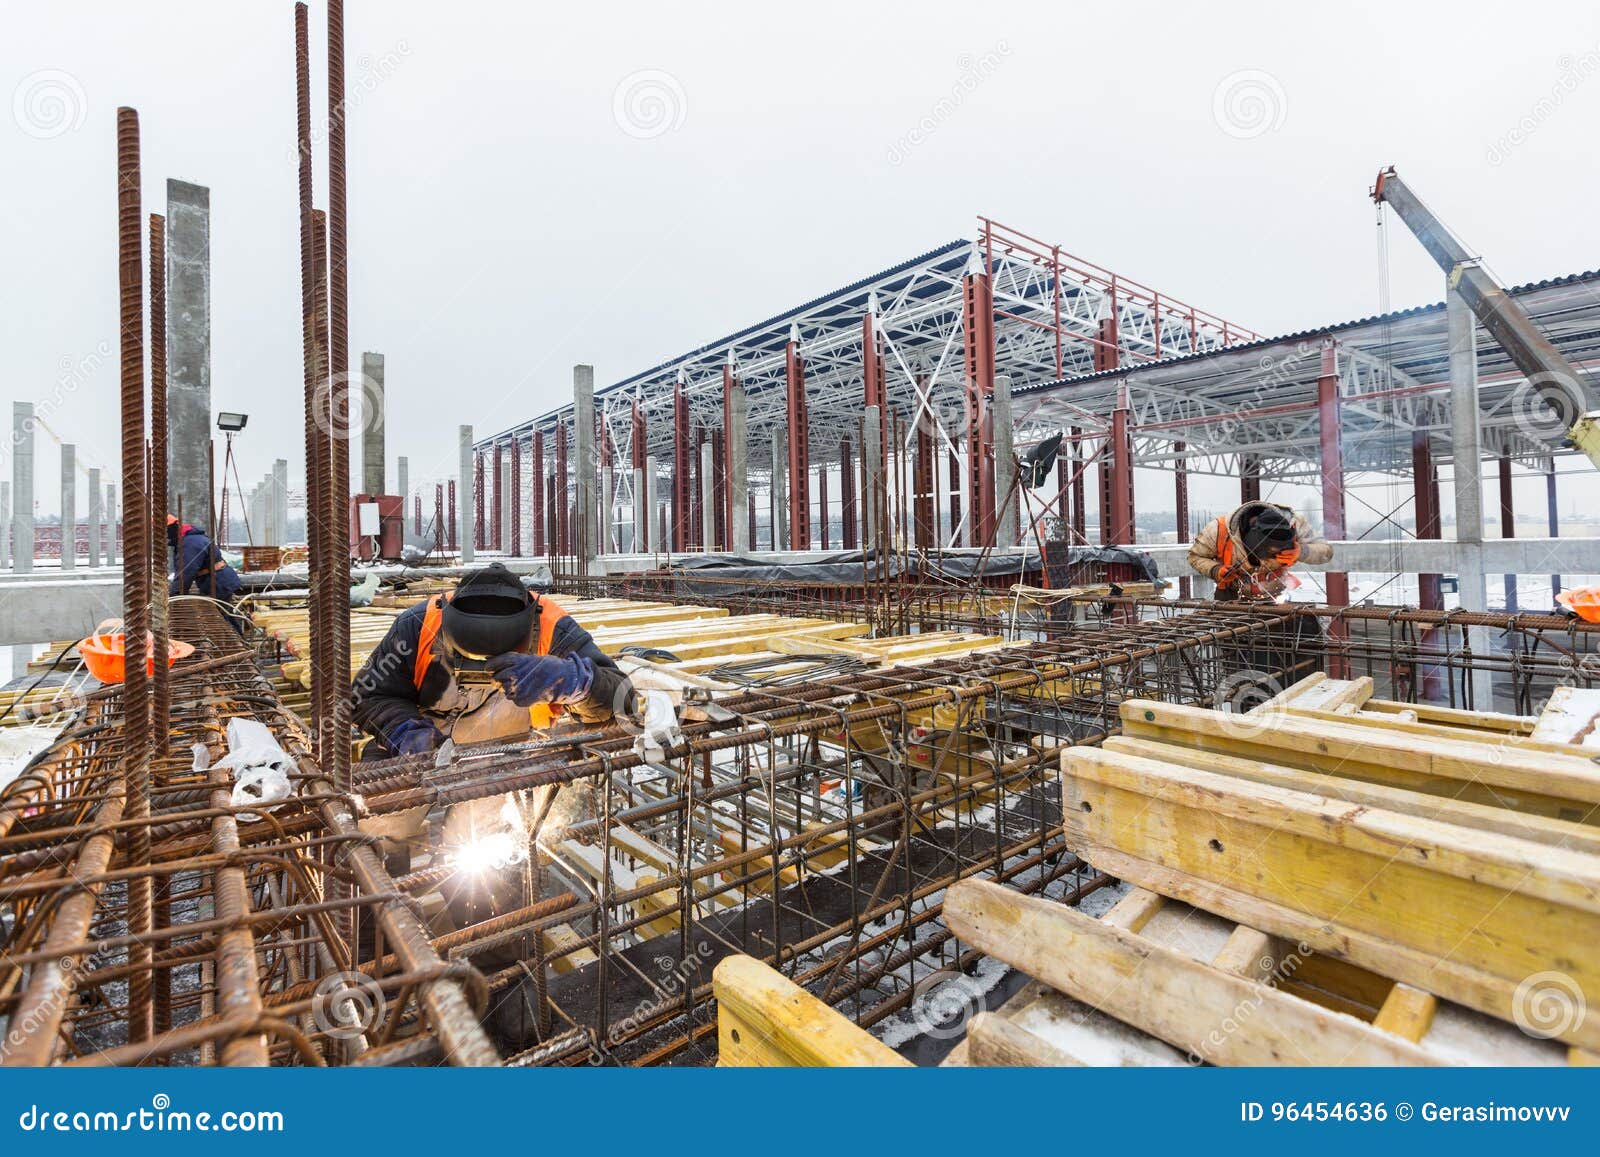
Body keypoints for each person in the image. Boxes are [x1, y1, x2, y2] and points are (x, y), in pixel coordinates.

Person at [351, 563, 636, 758]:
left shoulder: (552, 627)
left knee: (489, 821)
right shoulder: (419, 624)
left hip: (511, 754)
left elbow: (624, 705)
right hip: (425, 755)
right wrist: (405, 733)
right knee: (382, 818)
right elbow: (366, 696)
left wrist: (571, 681)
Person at [1187, 500, 1331, 600]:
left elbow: (1326, 551)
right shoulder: (1219, 529)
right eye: (1271, 551)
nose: (1272, 555)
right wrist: (1216, 570)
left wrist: (1302, 552)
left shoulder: (1294, 523)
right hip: (1232, 596)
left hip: (1276, 594)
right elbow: (1195, 556)